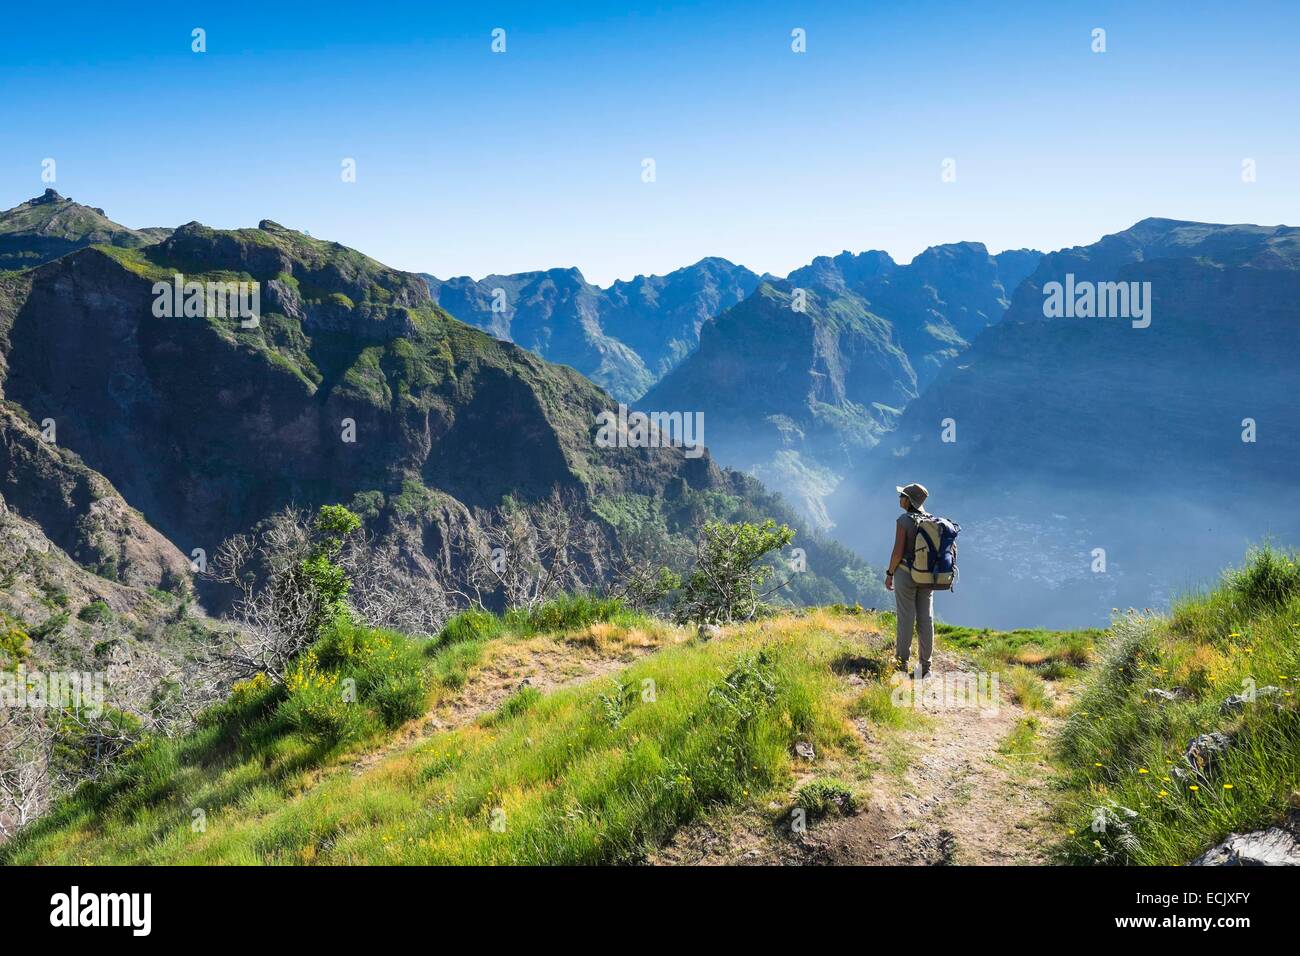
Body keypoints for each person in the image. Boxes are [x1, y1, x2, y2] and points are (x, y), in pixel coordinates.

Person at [885, 482, 933, 678]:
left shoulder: (904, 520)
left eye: (902, 496)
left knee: (906, 617)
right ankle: (925, 667)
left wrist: (889, 573)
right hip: (927, 575)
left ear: (909, 500)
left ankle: (901, 663)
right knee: (926, 618)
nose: (899, 498)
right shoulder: (930, 520)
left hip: (906, 573)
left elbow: (897, 552)